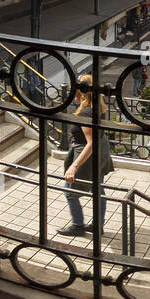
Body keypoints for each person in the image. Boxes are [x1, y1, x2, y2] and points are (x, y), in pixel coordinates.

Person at [57, 82, 113, 239]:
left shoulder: (86, 113)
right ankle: (97, 226)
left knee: (69, 192)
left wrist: (74, 166)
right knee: (98, 189)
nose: (72, 93)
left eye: (75, 91)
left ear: (82, 93)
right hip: (101, 152)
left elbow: (91, 143)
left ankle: (77, 225)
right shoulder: (98, 108)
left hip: (88, 154)